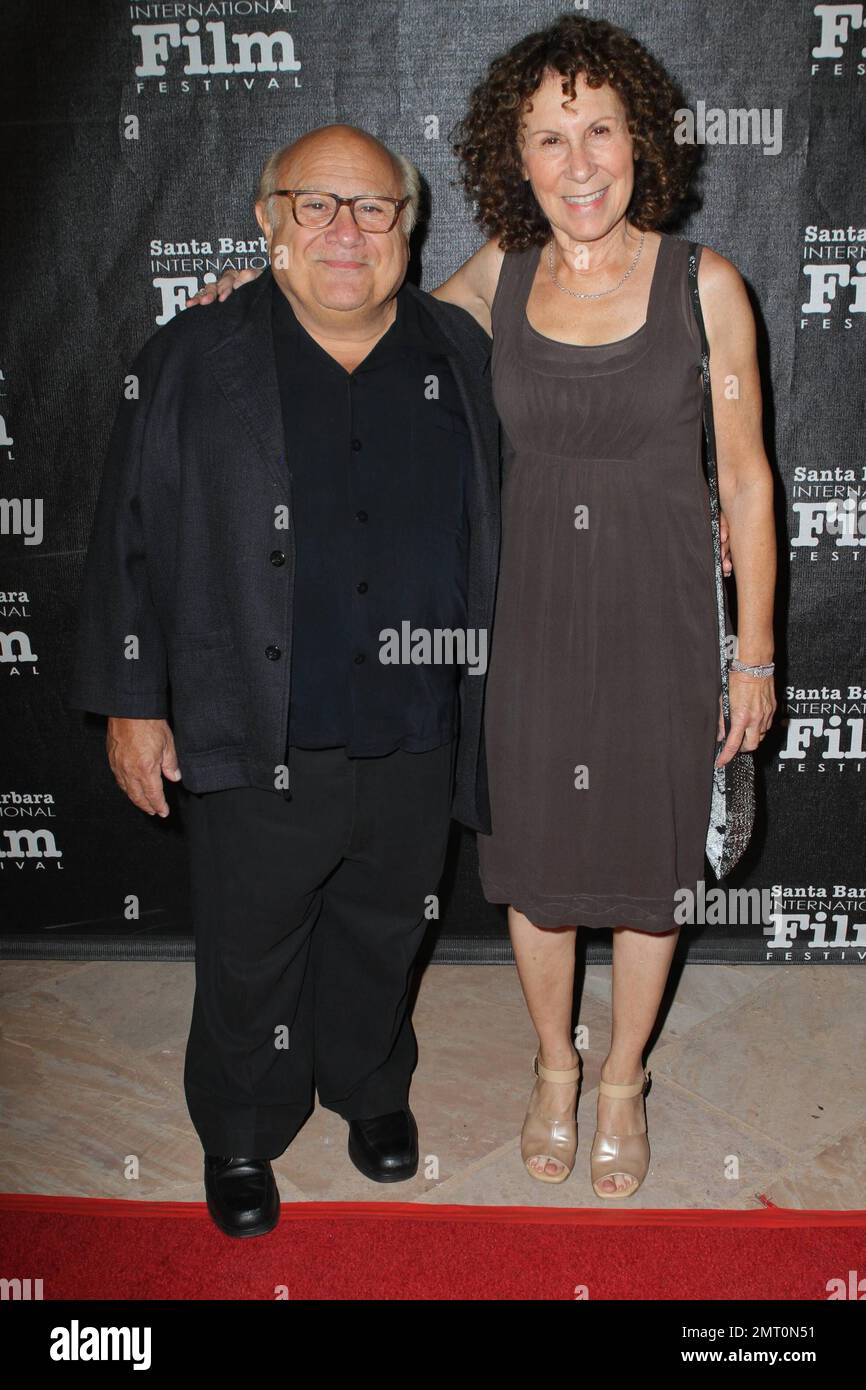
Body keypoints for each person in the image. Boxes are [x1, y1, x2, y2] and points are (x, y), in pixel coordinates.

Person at [194, 13, 748, 1204]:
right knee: (537, 867)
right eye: (548, 137)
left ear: (639, 142)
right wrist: (265, 286)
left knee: (652, 868)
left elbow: (746, 481)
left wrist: (752, 657)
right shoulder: (495, 279)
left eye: (598, 129)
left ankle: (621, 1085)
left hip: (659, 621)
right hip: (525, 623)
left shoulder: (704, 287)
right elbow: (370, 314)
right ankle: (555, 1066)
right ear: (517, 158)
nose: (579, 160)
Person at [63, 124, 500, 1237]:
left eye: (373, 210)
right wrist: (131, 701)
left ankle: (368, 1088)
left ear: (408, 229)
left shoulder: (458, 351)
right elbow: (126, 531)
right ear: (266, 221)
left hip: (418, 719)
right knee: (249, 949)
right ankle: (244, 1128)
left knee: (384, 928)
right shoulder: (191, 354)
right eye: (317, 206)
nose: (346, 232)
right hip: (256, 723)